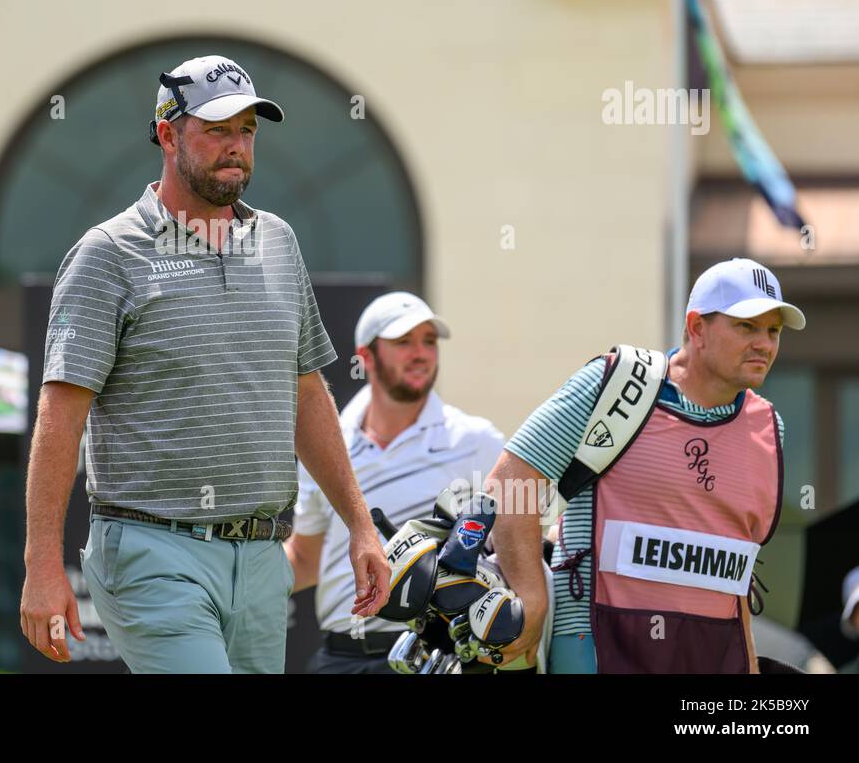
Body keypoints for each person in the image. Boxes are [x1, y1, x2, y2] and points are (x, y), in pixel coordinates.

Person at [19, 54, 391, 673]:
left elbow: (305, 394)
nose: (237, 146)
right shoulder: (107, 254)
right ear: (168, 134)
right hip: (151, 551)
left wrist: (359, 525)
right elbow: (60, 418)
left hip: (263, 559)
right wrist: (40, 566)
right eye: (217, 129)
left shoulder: (278, 240)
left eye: (247, 130)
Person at [487, 258, 804, 673]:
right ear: (697, 328)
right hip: (595, 642)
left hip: (714, 650)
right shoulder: (618, 383)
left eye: (773, 331)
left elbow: (736, 571)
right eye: (746, 326)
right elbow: (510, 484)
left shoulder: (768, 427)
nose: (764, 343)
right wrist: (532, 600)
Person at [287, 291, 506, 672]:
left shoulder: (476, 441)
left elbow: (516, 543)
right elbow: (306, 558)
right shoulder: (326, 442)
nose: (420, 353)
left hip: (434, 657)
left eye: (429, 341)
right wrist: (225, 576)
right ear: (366, 357)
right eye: (403, 342)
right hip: (339, 657)